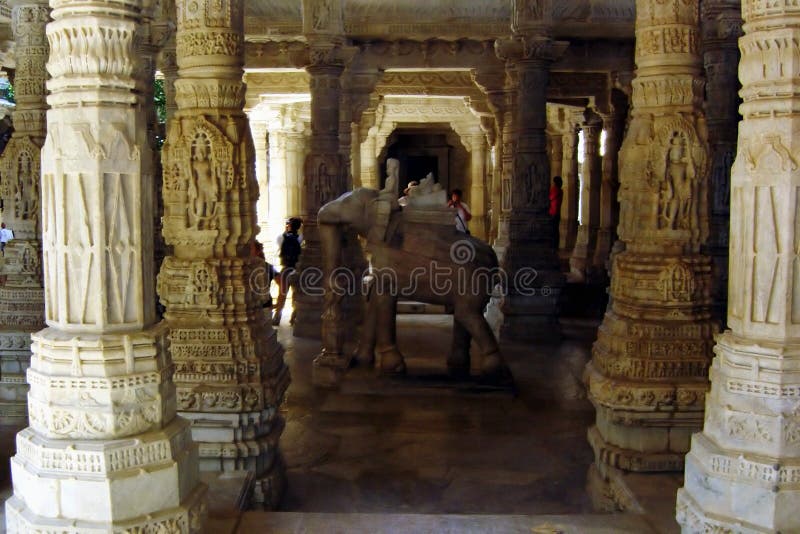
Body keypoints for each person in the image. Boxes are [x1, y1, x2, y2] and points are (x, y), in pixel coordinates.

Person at [272, 217, 303, 326]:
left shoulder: (281, 237)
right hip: (296, 269)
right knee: (297, 294)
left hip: (285, 269)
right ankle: (294, 318)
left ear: (288, 225)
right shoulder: (300, 238)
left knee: (282, 294)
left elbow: (278, 242)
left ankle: (277, 317)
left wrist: (285, 230)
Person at [549, 176, 564, 248]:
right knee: (555, 230)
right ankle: (555, 246)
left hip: (552, 213)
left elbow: (550, 197)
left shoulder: (555, 190)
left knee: (552, 230)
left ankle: (553, 246)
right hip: (557, 213)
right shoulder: (560, 191)